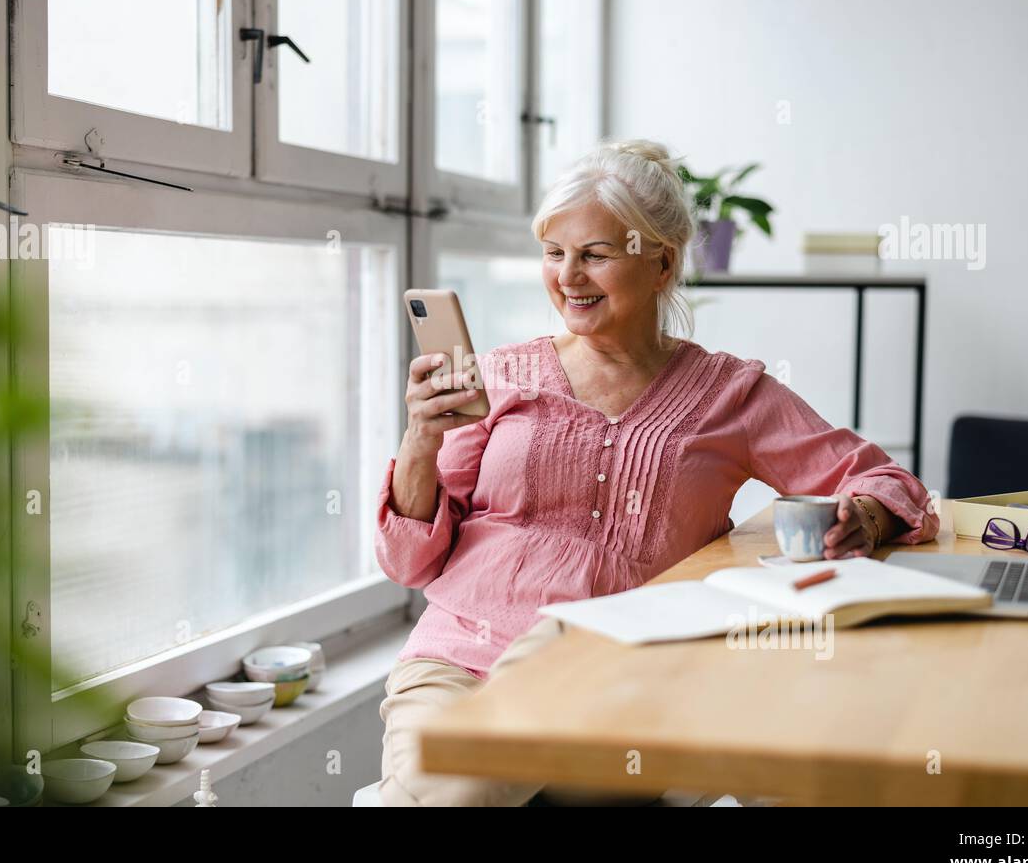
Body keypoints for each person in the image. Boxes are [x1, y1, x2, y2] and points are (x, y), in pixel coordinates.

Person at [374, 139, 940, 806]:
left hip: (617, 671)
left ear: (660, 263)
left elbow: (881, 478)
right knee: (448, 786)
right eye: (554, 254)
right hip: (455, 659)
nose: (568, 277)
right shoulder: (498, 375)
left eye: (595, 255)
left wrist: (865, 515)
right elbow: (412, 563)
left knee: (461, 789)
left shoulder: (732, 395)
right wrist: (420, 440)